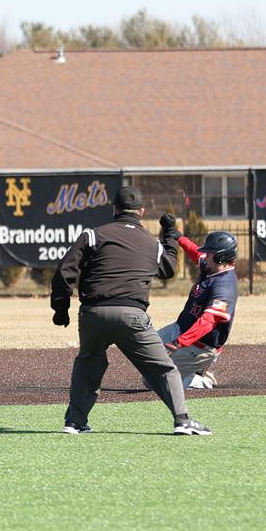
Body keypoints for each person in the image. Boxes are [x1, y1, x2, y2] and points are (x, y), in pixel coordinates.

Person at [49, 183, 210, 436]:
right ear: (142, 212)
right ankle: (182, 420)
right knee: (163, 368)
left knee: (88, 365)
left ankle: (74, 422)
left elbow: (64, 270)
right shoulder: (150, 243)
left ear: (115, 209)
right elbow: (168, 269)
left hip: (93, 314)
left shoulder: (94, 235)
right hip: (131, 315)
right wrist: (169, 234)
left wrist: (61, 306)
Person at [159, 226, 239, 390]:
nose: (205, 256)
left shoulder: (224, 286)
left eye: (210, 253)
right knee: (143, 348)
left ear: (221, 257)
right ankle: (194, 371)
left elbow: (207, 322)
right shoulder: (212, 267)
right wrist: (180, 238)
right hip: (181, 329)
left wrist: (178, 343)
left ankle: (201, 379)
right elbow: (197, 253)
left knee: (156, 380)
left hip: (199, 346)